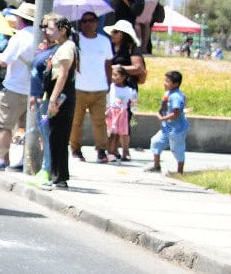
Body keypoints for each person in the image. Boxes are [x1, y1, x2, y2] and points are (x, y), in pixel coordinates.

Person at [0, 3, 35, 170]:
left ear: (20, 19)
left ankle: (0, 159)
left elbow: (4, 61)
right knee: (28, 127)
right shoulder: (40, 37)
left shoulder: (20, 37)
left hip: (14, 88)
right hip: (33, 90)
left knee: (2, 125)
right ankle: (26, 161)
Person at [68, 11, 114, 164]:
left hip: (99, 88)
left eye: (91, 20)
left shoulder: (104, 41)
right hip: (79, 88)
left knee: (100, 121)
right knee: (76, 121)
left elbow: (108, 63)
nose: (87, 23)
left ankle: (101, 150)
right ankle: (75, 149)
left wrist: (109, 83)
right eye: (84, 21)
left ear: (97, 23)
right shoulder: (75, 40)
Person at [40, 14, 77, 188]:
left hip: (62, 95)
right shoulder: (61, 47)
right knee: (55, 136)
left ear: (62, 30)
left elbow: (63, 75)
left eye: (51, 28)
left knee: (59, 137)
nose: (47, 31)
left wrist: (53, 100)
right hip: (59, 94)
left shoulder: (66, 48)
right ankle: (56, 176)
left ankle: (59, 177)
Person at [104, 19, 146, 162]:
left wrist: (117, 68)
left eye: (115, 32)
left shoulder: (132, 48)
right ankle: (113, 150)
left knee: (124, 120)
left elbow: (138, 68)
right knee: (111, 119)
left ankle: (125, 151)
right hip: (112, 89)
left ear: (122, 34)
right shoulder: (110, 46)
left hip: (127, 89)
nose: (112, 34)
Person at [148, 70, 189, 174]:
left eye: (168, 81)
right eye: (165, 80)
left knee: (177, 149)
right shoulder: (168, 93)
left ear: (176, 84)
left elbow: (176, 113)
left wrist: (163, 118)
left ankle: (180, 172)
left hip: (177, 129)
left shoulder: (176, 96)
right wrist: (160, 113)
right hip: (166, 127)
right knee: (156, 142)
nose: (165, 83)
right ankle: (156, 166)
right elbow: (164, 107)